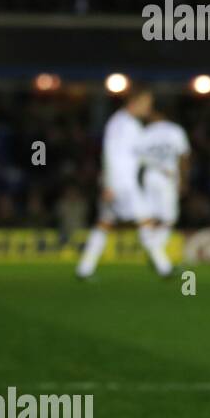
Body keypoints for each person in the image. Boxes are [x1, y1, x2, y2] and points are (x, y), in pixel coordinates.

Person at [75, 85, 174, 279]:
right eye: (146, 104)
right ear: (134, 102)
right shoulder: (119, 124)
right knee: (146, 219)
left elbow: (138, 153)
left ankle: (84, 269)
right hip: (121, 185)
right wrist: (109, 184)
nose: (148, 108)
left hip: (119, 183)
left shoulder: (131, 124)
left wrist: (161, 167)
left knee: (104, 224)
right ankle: (164, 267)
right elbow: (109, 154)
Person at [137, 108, 191, 257]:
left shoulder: (145, 132)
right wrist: (184, 180)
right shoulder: (175, 131)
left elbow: (137, 159)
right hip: (168, 177)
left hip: (150, 176)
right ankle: (156, 251)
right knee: (169, 218)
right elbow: (184, 156)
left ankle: (153, 250)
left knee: (150, 216)